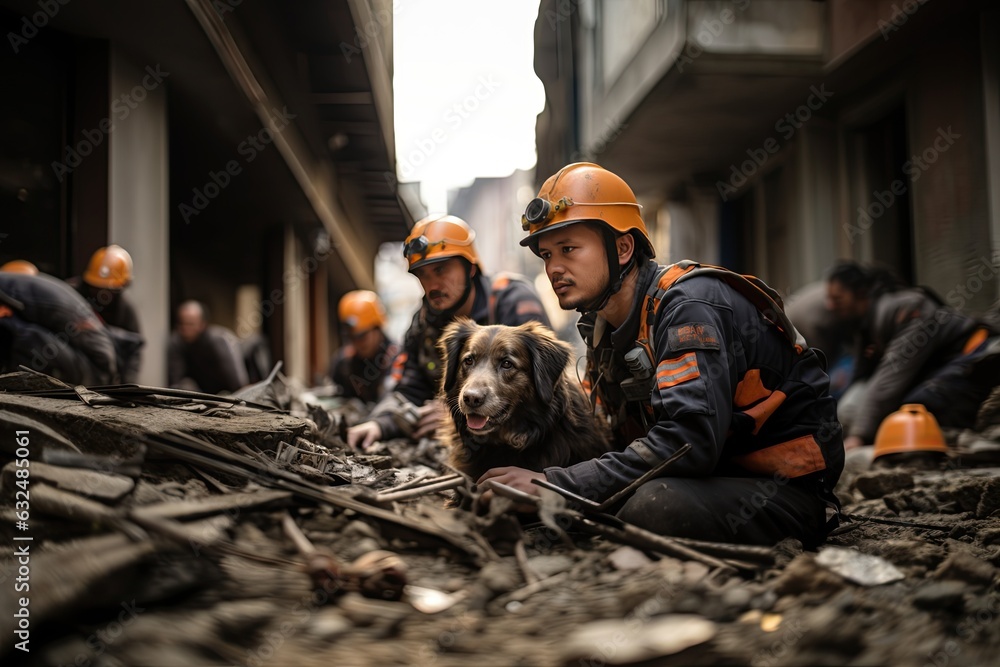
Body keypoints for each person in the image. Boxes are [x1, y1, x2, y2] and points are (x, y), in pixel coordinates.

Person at [478, 162, 844, 547]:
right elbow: (616, 440)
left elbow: (690, 442)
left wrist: (555, 484)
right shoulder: (605, 328)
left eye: (569, 249)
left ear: (622, 248)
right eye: (547, 255)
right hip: (709, 478)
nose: (554, 268)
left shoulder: (689, 306)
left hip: (776, 491)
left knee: (651, 507)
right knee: (579, 502)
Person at [347, 214, 551, 450]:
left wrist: (452, 409)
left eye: (441, 270)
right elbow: (406, 386)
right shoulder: (422, 324)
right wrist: (378, 423)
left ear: (470, 268)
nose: (432, 285)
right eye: (422, 275)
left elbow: (542, 389)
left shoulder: (512, 300)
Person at [825, 261, 1000, 451]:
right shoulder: (867, 325)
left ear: (859, 293)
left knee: (917, 409)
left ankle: (969, 444)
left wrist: (859, 436)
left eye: (838, 298)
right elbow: (863, 377)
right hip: (947, 367)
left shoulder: (908, 309)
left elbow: (891, 376)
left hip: (977, 357)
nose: (830, 306)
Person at [0, 270, 119, 384]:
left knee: (21, 334)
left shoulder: (17, 291)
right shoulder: (21, 288)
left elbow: (103, 356)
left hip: (95, 371)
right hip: (96, 366)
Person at [67, 245, 144, 383]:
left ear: (122, 286)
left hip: (104, 378)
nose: (101, 293)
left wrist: (127, 388)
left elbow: (133, 349)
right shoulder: (71, 294)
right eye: (96, 287)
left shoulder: (125, 310)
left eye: (109, 289)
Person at [329, 290, 398, 403]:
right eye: (351, 337)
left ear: (377, 329)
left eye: (362, 336)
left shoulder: (396, 358)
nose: (357, 342)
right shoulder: (343, 363)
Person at [168, 300, 249, 394]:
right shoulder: (176, 342)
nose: (185, 329)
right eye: (181, 324)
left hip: (225, 392)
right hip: (201, 394)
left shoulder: (218, 340)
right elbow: (175, 382)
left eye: (190, 324)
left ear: (202, 324)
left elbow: (238, 384)